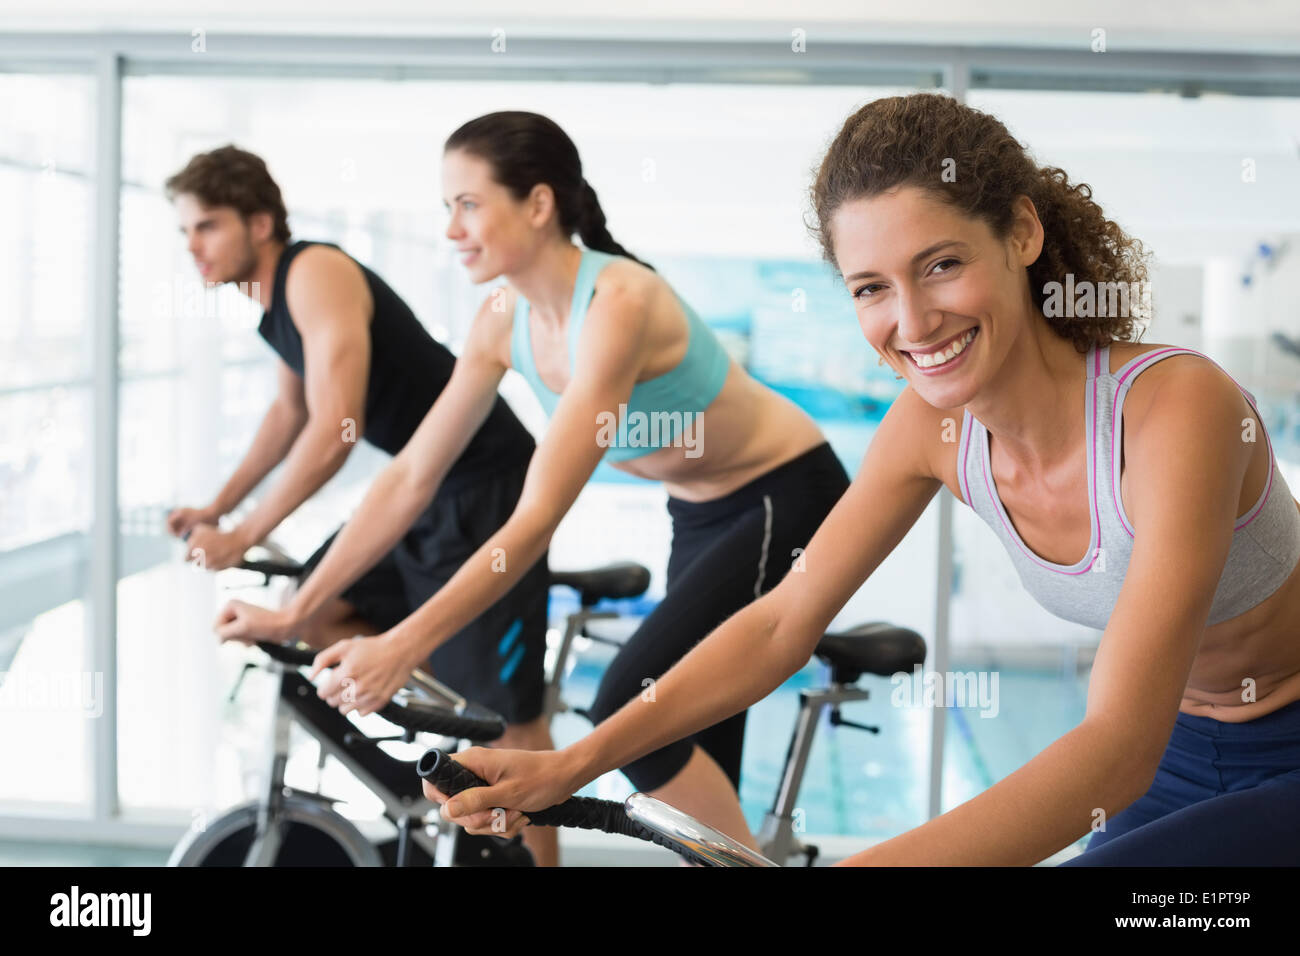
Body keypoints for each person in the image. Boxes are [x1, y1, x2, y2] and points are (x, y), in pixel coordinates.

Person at [428, 93, 1300, 866]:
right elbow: (782, 623)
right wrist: (572, 763)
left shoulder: (1174, 409)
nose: (911, 322)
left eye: (942, 264)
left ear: (1023, 234)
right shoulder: (931, 428)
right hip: (1177, 747)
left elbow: (1114, 748)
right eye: (871, 288)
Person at [228, 110, 850, 852]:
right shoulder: (502, 319)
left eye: (469, 204)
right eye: (446, 207)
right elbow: (413, 474)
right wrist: (297, 609)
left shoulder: (618, 304)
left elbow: (535, 517)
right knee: (688, 732)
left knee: (634, 704)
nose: (452, 228)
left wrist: (401, 644)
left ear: (539, 204)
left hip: (782, 494)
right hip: (698, 513)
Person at [161, 145, 559, 865]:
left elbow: (333, 431)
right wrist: (217, 508)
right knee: (309, 619)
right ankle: (423, 782)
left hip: (483, 486)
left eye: (208, 225)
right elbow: (288, 416)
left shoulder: (314, 273)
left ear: (259, 223)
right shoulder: (272, 305)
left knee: (509, 722)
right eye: (185, 231)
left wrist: (244, 532)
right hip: (417, 490)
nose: (193, 246)